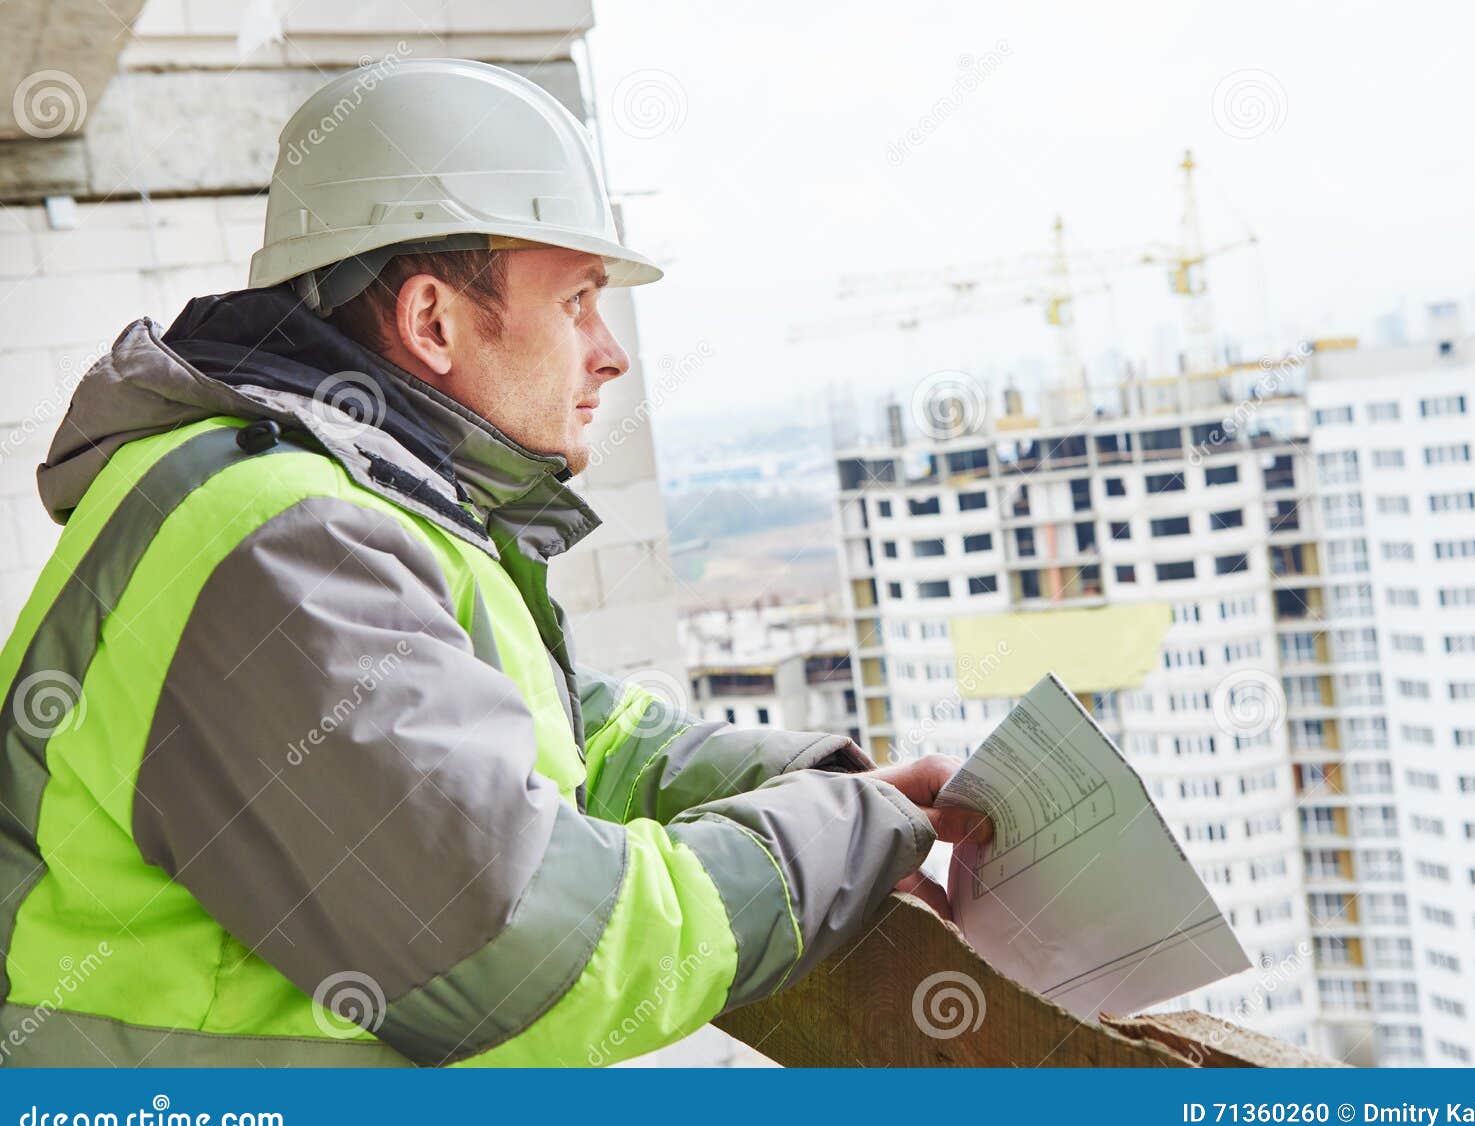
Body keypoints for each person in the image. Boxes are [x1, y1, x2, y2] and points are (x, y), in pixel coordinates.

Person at [0, 58, 988, 1068]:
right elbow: (525, 953)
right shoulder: (278, 541)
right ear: (433, 320)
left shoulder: (347, 504)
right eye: (577, 302)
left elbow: (568, 743)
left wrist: (830, 788)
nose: (610, 354)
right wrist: (833, 841)